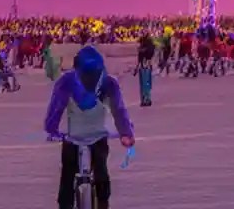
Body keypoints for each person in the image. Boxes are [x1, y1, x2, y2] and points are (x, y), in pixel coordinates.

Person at [43, 46, 134, 209]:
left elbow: (55, 109)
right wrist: (125, 133)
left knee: (71, 179)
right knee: (98, 177)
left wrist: (52, 129)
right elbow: (119, 109)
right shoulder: (106, 82)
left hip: (76, 138)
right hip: (92, 138)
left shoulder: (68, 81)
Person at [136, 34, 155, 107]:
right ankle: (148, 99)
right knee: (148, 84)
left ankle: (144, 100)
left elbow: (139, 59)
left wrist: (136, 68)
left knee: (143, 84)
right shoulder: (151, 49)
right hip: (149, 67)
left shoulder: (142, 50)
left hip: (143, 67)